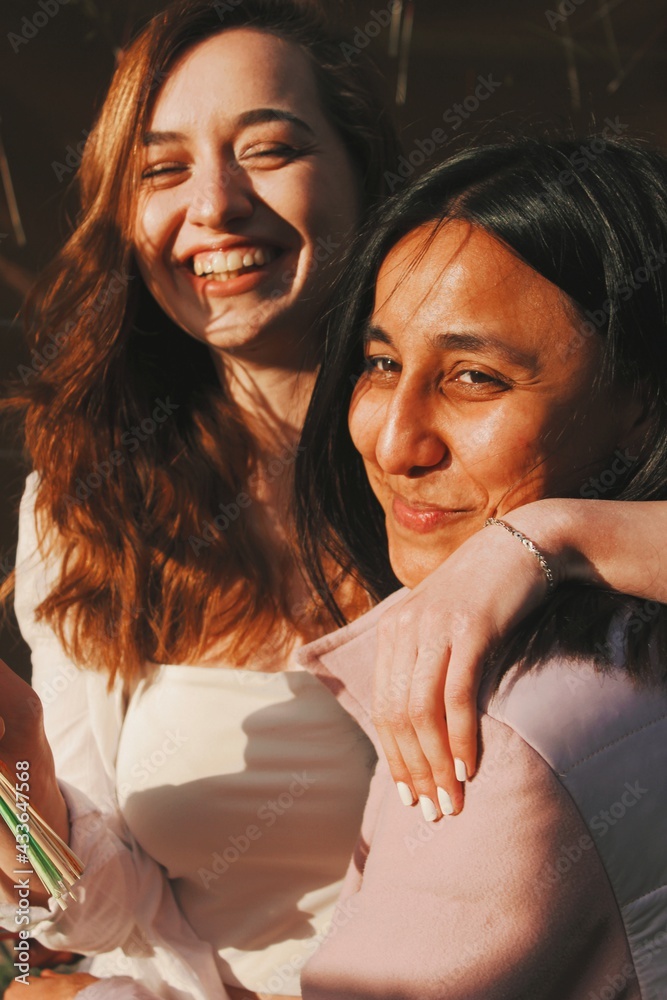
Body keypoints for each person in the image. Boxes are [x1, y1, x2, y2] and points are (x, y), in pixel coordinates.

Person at [1, 0, 667, 995]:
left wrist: (541, 535)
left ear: (367, 174)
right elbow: (106, 906)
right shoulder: (87, 501)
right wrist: (22, 785)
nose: (215, 206)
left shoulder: (494, 463)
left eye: (267, 150)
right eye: (164, 168)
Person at [295, 135, 667, 997]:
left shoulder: (495, 749)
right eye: (382, 364)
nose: (394, 441)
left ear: (638, 400)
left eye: (474, 378)